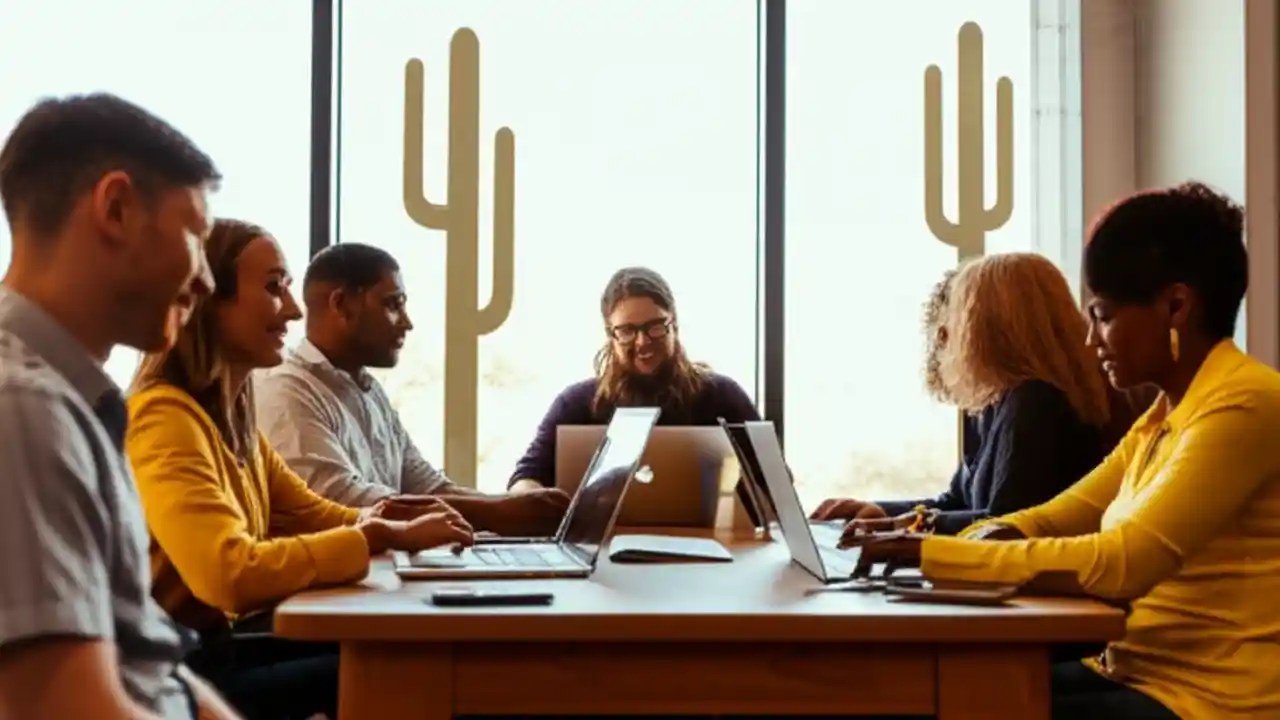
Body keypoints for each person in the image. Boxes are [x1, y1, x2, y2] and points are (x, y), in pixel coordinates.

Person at [843, 181, 1280, 719]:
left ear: (1175, 307)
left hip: (1206, 701)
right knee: (915, 691)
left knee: (937, 703)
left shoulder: (1245, 404)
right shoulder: (1165, 415)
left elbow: (1124, 561)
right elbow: (1053, 517)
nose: (1092, 340)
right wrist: (952, 538)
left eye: (1104, 316)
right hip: (1131, 670)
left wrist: (934, 554)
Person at [125, 219, 474, 719]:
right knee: (407, 671)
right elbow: (228, 574)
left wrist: (393, 525)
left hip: (212, 654)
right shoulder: (164, 419)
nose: (292, 309)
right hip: (173, 679)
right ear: (208, 300)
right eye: (274, 288)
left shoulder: (231, 417)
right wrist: (374, 536)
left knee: (413, 652)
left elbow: (310, 512)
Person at [0, 93, 241, 719]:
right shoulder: (24, 411)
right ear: (116, 208)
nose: (207, 280)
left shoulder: (69, 403)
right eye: (197, 237)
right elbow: (63, 710)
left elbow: (149, 663)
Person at [255, 242, 570, 536]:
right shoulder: (287, 391)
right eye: (393, 304)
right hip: (332, 577)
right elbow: (344, 502)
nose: (406, 322)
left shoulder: (368, 390)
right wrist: (497, 513)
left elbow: (427, 486)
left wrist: (515, 506)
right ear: (341, 304)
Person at [812, 253, 1111, 535]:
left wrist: (907, 527)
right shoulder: (996, 401)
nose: (946, 334)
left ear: (994, 326)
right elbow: (956, 501)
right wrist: (880, 511)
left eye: (959, 316)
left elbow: (1004, 525)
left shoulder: (1036, 401)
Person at [508, 266, 760, 493]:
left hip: (712, 533)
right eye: (627, 330)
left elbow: (773, 484)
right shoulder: (575, 403)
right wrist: (530, 497)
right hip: (604, 535)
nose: (642, 341)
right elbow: (526, 478)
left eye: (655, 326)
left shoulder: (722, 396)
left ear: (674, 325)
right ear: (611, 335)